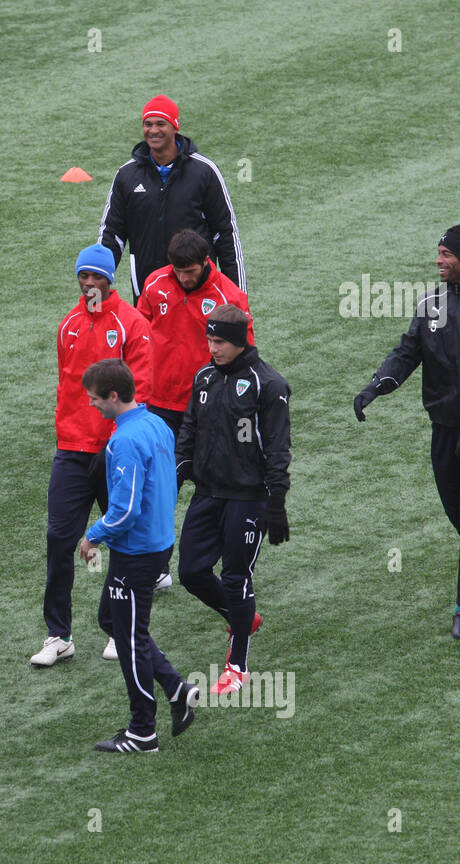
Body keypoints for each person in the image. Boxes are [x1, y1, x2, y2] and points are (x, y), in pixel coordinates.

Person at [354, 225, 460, 640]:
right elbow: (407, 353)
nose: (438, 261)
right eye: (439, 252)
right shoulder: (432, 303)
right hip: (444, 429)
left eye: (446, 254)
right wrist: (375, 386)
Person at [31, 244, 155, 668]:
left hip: (114, 449)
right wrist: (66, 431)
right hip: (71, 449)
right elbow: (67, 389)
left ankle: (120, 629)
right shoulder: (67, 324)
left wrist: (115, 440)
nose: (88, 284)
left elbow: (141, 392)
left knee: (124, 539)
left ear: (110, 279)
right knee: (58, 539)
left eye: (96, 277)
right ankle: (58, 635)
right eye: (82, 276)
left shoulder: (132, 324)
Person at [77, 359, 198, 753]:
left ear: (114, 396)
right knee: (111, 620)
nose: (92, 405)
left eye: (95, 399)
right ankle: (176, 688)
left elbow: (125, 510)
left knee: (129, 639)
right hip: (157, 542)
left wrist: (93, 536)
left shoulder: (124, 441)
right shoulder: (157, 424)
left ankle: (143, 730)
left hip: (137, 551)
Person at [175, 306, 290, 695]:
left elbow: (278, 449)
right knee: (190, 572)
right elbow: (190, 424)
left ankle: (237, 666)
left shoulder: (269, 385)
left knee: (236, 577)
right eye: (209, 340)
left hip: (247, 498)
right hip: (208, 494)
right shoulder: (205, 377)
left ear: (240, 341)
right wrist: (183, 465)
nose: (213, 348)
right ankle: (242, 617)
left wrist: (277, 501)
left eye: (220, 341)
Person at [138, 229, 253, 590]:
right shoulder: (155, 284)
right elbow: (138, 334)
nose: (183, 278)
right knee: (158, 489)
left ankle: (225, 557)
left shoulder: (228, 298)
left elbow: (245, 355)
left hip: (206, 409)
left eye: (189, 271)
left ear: (207, 262)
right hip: (158, 406)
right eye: (178, 271)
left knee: (215, 486)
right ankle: (158, 568)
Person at [98, 94, 245, 302]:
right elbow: (112, 235)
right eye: (148, 124)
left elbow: (226, 235)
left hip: (198, 293)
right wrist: (99, 277)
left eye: (161, 123)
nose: (153, 130)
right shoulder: (127, 175)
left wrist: (237, 297)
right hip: (148, 294)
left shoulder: (204, 172)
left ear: (175, 127)